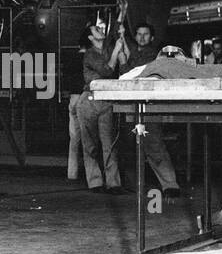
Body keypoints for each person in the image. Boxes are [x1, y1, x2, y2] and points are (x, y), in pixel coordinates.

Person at [116, 22, 182, 198]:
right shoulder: (134, 53)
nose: (142, 37)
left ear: (152, 37)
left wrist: (123, 64)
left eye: (146, 34)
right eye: (139, 34)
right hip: (131, 106)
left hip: (150, 106)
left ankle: (170, 185)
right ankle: (134, 185)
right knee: (130, 146)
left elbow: (131, 76)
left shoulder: (154, 56)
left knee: (155, 146)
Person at [77, 23, 127, 195]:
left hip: (105, 99)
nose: (100, 30)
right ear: (91, 38)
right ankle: (95, 182)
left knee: (109, 144)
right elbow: (107, 71)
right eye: (96, 30)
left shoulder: (105, 50)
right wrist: (115, 52)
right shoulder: (90, 54)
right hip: (89, 100)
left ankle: (113, 183)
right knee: (90, 145)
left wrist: (122, 12)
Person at [61, 37, 86, 184]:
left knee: (74, 138)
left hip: (74, 97)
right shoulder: (92, 57)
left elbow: (67, 78)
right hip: (88, 95)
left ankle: (72, 173)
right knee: (92, 138)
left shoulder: (71, 58)